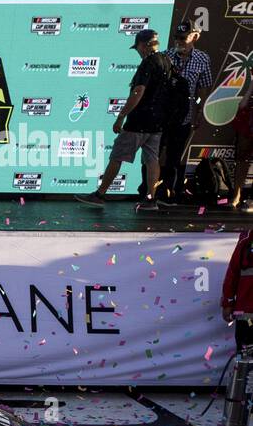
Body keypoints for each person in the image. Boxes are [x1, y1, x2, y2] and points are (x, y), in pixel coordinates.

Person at [75, 29, 172, 211]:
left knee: (117, 156)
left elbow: (138, 91)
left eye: (138, 48)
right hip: (157, 122)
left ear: (144, 45)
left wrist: (121, 116)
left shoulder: (148, 63)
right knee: (152, 160)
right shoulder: (167, 61)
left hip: (139, 121)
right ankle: (151, 199)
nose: (138, 52)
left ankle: (100, 194)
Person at [160, 19, 213, 201]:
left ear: (194, 37)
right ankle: (149, 190)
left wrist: (199, 112)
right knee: (155, 153)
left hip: (184, 115)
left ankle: (170, 191)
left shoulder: (202, 59)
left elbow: (203, 89)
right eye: (177, 37)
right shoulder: (165, 56)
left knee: (175, 155)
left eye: (183, 38)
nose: (179, 41)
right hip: (161, 114)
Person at [221, 229, 253, 350]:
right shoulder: (246, 239)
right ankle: (241, 368)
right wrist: (227, 304)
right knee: (243, 358)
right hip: (247, 316)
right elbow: (232, 274)